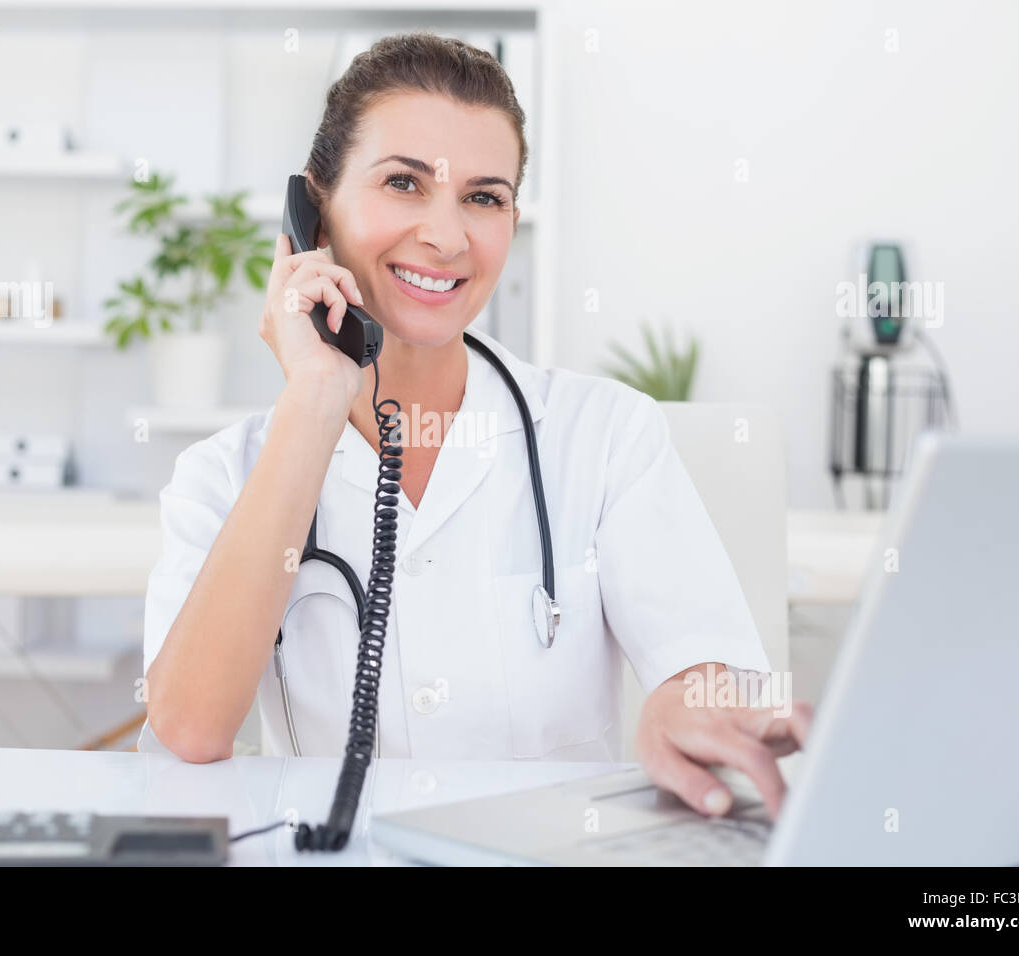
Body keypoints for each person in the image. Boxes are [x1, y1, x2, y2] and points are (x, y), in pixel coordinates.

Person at [142, 31, 811, 820]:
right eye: (403, 183)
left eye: (484, 197)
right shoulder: (223, 474)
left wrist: (679, 704)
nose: (448, 235)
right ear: (312, 215)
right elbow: (188, 730)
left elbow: (710, 669)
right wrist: (317, 400)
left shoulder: (605, 434)